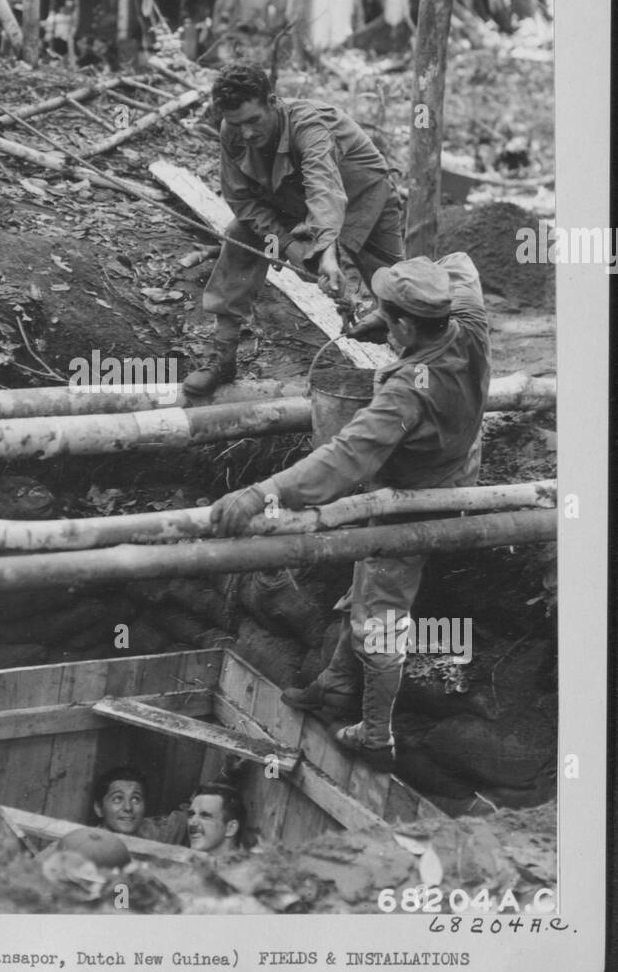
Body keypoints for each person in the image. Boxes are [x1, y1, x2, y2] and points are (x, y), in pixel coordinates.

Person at [209, 254, 491, 770]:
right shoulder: (468, 324)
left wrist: (261, 493)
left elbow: (343, 459)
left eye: (391, 317)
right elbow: (460, 263)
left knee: (381, 617)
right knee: (367, 578)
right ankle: (337, 685)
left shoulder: (406, 395)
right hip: (457, 466)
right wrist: (390, 318)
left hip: (415, 501)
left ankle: (377, 735)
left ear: (408, 324)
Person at [184, 63, 406, 396]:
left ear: (272, 101)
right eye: (236, 123)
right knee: (241, 233)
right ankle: (222, 353)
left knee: (395, 289)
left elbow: (324, 188)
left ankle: (418, 372)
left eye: (253, 121)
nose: (245, 133)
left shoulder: (309, 125)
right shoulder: (233, 132)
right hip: (292, 202)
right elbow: (243, 202)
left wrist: (326, 250)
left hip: (365, 195)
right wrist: (286, 243)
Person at [91, 764, 187, 844]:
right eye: (117, 799)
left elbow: (178, 821)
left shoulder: (150, 832)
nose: (128, 807)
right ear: (99, 809)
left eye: (135, 799)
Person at [186, 783, 244, 856]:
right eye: (191, 814)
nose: (192, 822)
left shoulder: (247, 867)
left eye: (205, 815)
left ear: (231, 828)